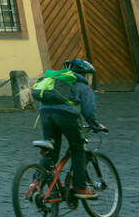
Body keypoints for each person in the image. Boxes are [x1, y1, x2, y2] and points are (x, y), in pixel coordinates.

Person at [35, 58, 108, 198]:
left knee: (51, 152)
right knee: (77, 147)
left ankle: (37, 185)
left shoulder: (56, 82)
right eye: (89, 75)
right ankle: (80, 188)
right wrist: (96, 126)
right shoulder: (83, 86)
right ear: (85, 75)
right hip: (66, 116)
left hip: (45, 115)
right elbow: (88, 112)